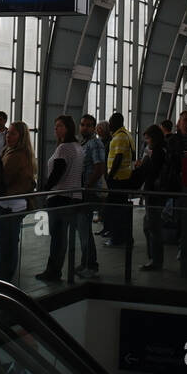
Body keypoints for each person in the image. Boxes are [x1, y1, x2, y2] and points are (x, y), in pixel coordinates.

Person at [36, 116, 85, 282]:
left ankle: (53, 271)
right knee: (62, 236)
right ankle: (57, 269)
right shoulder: (78, 147)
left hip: (60, 196)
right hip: (74, 196)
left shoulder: (63, 148)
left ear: (68, 128)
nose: (56, 129)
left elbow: (57, 172)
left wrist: (45, 190)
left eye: (60, 126)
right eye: (55, 126)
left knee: (57, 236)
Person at [0, 121, 36, 282]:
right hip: (11, 206)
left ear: (21, 137)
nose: (8, 136)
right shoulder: (15, 152)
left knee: (6, 249)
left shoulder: (15, 156)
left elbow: (3, 179)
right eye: (8, 133)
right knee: (8, 246)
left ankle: (2, 281)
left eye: (12, 133)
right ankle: (4, 281)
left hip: (8, 206)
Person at [134, 124, 176, 271]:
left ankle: (156, 260)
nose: (147, 142)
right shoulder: (165, 149)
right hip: (159, 192)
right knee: (149, 225)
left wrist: (142, 165)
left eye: (148, 139)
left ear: (153, 138)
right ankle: (154, 258)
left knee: (153, 227)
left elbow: (152, 172)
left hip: (154, 193)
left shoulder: (157, 152)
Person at [76, 114, 106, 277]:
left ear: (94, 127)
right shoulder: (84, 143)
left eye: (88, 125)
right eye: (82, 124)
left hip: (89, 192)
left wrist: (87, 186)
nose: (84, 127)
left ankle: (91, 265)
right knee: (83, 229)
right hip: (84, 191)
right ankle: (85, 262)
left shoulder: (95, 143)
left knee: (85, 229)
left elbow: (99, 167)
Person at [103, 113, 136, 247]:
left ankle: (116, 238)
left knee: (115, 210)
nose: (109, 125)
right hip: (123, 177)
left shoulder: (121, 136)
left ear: (116, 122)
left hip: (117, 178)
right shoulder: (126, 134)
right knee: (121, 210)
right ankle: (125, 237)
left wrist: (109, 177)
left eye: (110, 122)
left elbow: (118, 158)